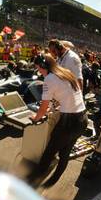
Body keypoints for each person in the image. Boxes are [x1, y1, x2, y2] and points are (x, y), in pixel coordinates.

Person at [27, 52, 88, 189]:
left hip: (69, 122)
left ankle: (32, 183)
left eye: (39, 68)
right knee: (65, 153)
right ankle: (53, 180)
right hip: (82, 118)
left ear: (44, 66)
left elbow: (42, 109)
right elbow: (70, 95)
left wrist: (35, 118)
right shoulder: (66, 72)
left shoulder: (49, 78)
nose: (39, 71)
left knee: (49, 153)